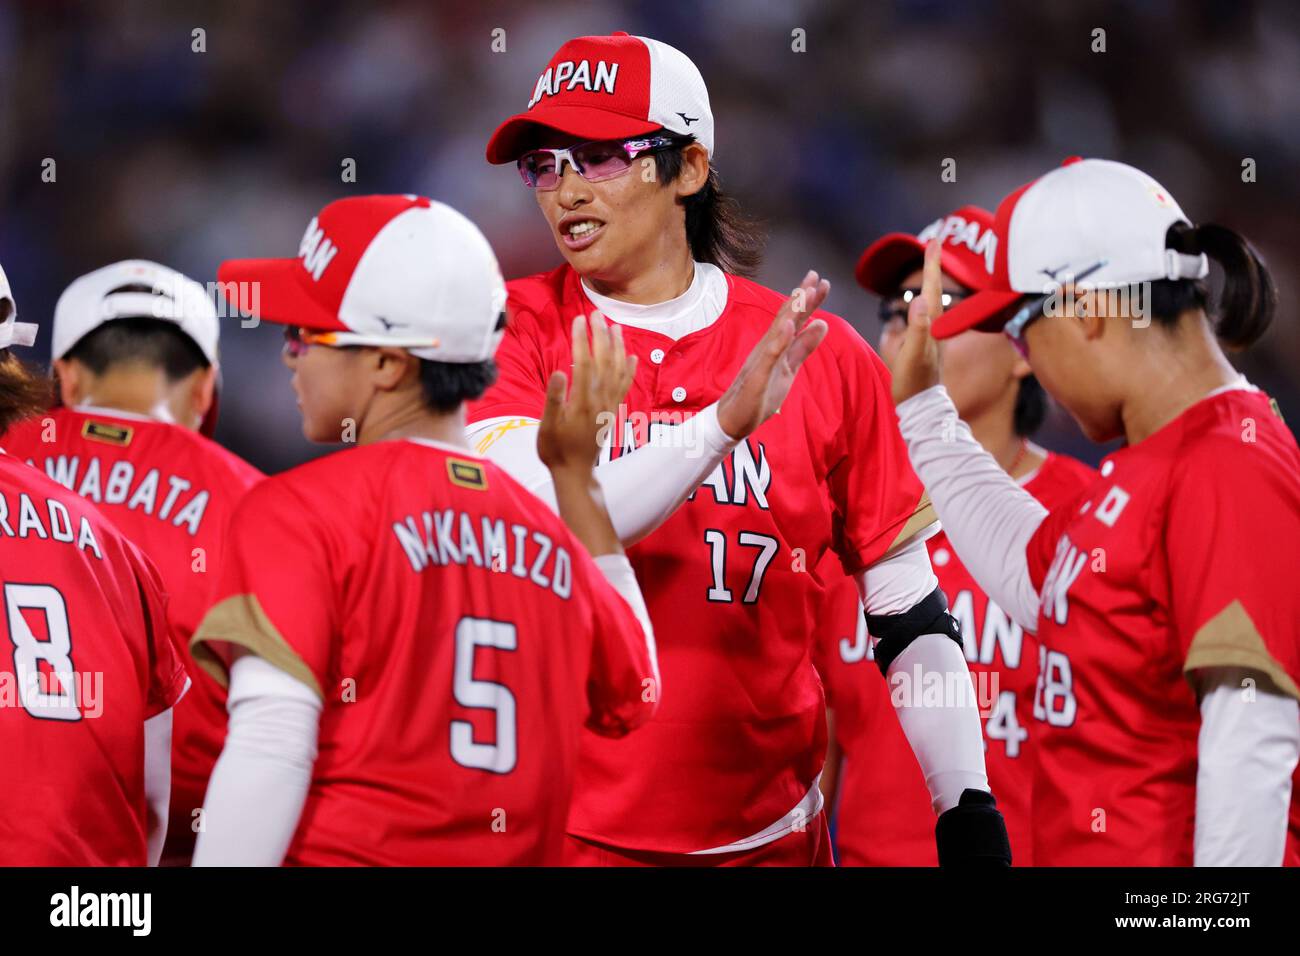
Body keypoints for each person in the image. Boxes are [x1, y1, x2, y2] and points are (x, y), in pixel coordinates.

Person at [472, 32, 1009, 865]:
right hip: (559, 830)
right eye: (544, 163)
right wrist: (723, 423)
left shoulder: (817, 355)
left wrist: (963, 799)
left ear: (686, 169)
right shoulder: (509, 330)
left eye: (601, 157)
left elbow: (906, 600)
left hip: (770, 839)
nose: (565, 189)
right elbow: (554, 517)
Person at [190, 194, 668, 866]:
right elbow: (635, 691)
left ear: (389, 363)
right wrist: (577, 483)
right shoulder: (550, 537)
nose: (290, 355)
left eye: (305, 333)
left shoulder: (299, 509)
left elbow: (272, 740)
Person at [890, 157, 1300, 866]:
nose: (1030, 362)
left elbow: (1252, 732)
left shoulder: (1230, 458)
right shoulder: (1157, 458)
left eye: (1022, 332)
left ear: (1086, 308)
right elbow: (1030, 573)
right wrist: (923, 412)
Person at [815, 207, 1096, 865]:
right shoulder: (839, 516)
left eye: (944, 304)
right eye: (896, 308)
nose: (910, 327)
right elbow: (815, 745)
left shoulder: (1091, 518)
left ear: (1023, 344)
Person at [0, 260, 262, 863]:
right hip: (151, 854)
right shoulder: (259, 504)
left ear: (62, 376)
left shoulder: (16, 456)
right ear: (204, 388)